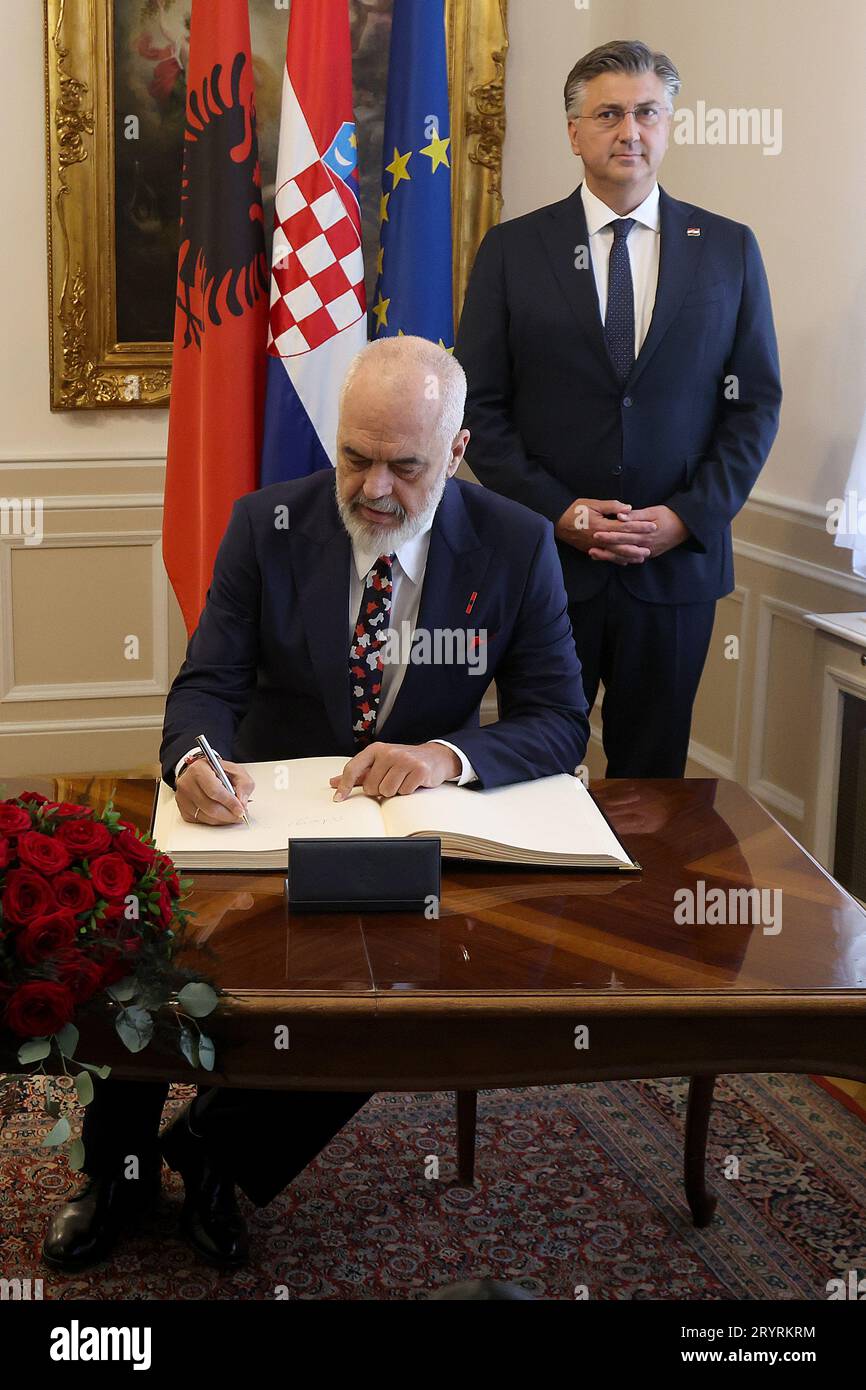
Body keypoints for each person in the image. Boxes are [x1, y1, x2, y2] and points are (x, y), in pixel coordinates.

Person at [42, 335, 589, 1271]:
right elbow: (206, 684)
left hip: (409, 837)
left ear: (455, 455)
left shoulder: (515, 542)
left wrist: (446, 755)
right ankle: (118, 1172)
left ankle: (213, 1152)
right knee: (133, 945)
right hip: (258, 822)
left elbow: (558, 719)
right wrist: (194, 762)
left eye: (405, 467)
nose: (374, 489)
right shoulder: (268, 523)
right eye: (356, 457)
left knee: (390, 1004)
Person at [455, 39, 782, 777]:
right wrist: (562, 511)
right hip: (546, 564)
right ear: (574, 132)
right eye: (608, 114)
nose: (629, 131)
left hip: (675, 574)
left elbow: (754, 405)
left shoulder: (728, 249)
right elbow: (482, 407)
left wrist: (687, 518)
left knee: (653, 778)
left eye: (647, 113)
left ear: (668, 125)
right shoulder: (512, 251)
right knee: (533, 762)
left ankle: (641, 900)